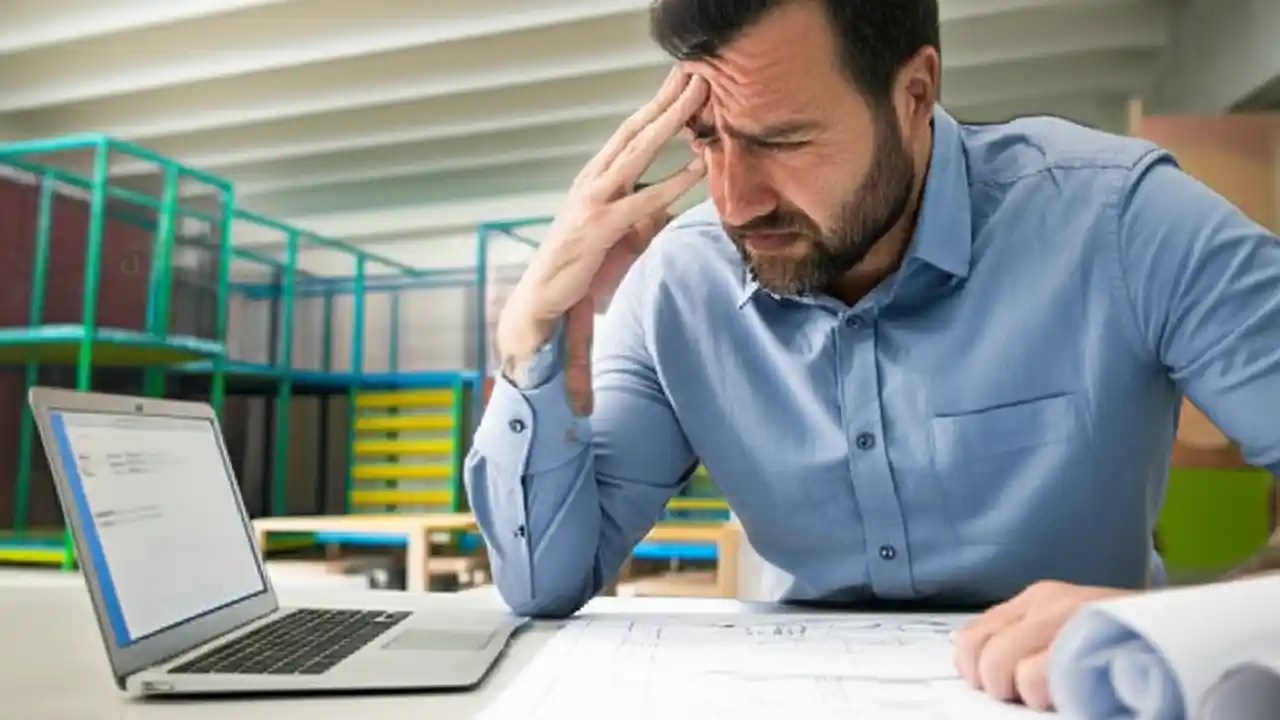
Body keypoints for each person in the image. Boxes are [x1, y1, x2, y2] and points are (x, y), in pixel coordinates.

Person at [463, 0, 1280, 711]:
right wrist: (536, 331)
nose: (735, 202)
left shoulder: (1122, 222)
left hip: (1077, 692)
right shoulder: (678, 288)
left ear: (915, 93)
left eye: (782, 139)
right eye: (707, 140)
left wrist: (1176, 628)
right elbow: (547, 583)